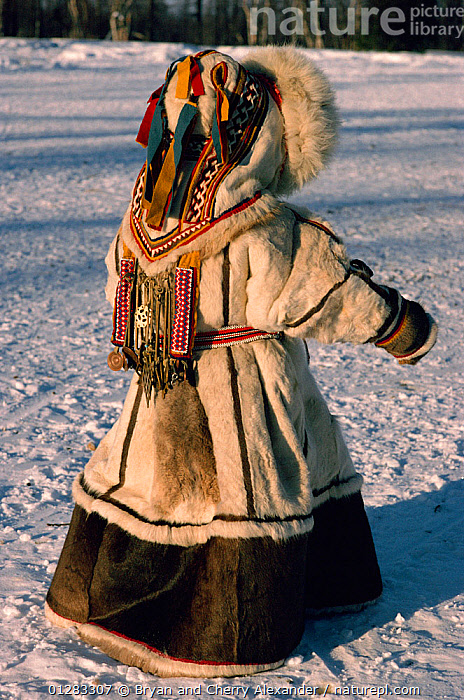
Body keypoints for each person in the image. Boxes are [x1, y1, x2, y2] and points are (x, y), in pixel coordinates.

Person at [45, 48, 437, 678]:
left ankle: (108, 599)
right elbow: (326, 296)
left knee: (149, 479)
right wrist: (402, 327)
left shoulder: (146, 212)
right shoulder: (266, 227)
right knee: (255, 485)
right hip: (246, 389)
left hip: (164, 381)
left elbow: (120, 276)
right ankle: (229, 629)